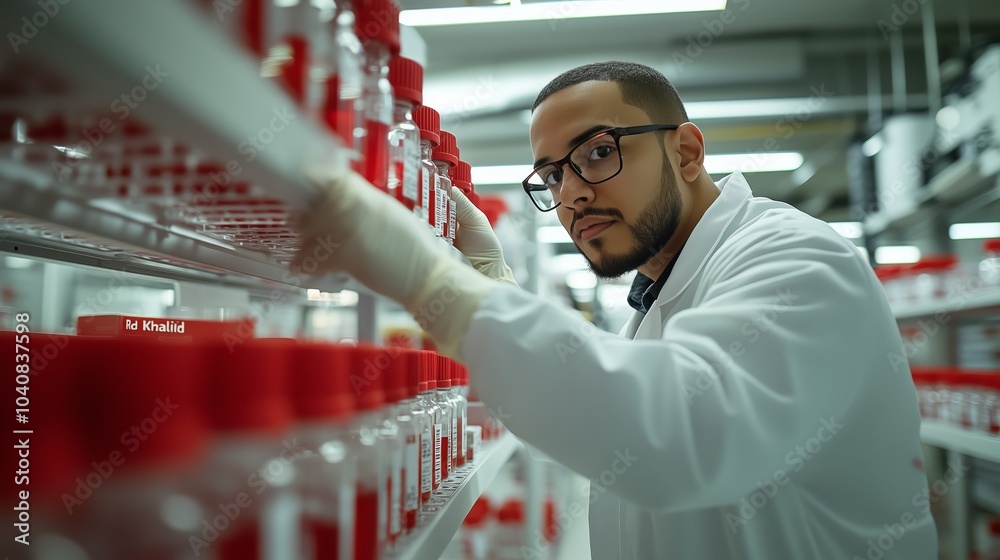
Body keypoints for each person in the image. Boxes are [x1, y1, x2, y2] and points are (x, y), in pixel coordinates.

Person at [295, 61, 937, 559]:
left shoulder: (797, 260)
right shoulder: (663, 297)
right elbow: (611, 406)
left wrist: (434, 282)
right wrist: (495, 287)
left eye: (597, 152)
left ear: (686, 151)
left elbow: (682, 436)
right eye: (550, 176)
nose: (571, 193)